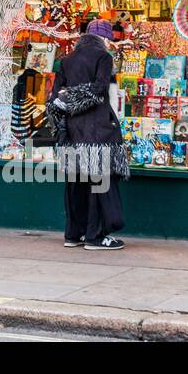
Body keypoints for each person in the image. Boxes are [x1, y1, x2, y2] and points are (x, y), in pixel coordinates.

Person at [51, 18, 129, 250]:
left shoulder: (66, 61)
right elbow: (99, 89)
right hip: (97, 132)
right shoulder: (104, 58)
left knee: (76, 184)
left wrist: (69, 100)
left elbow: (56, 99)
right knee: (98, 184)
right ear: (105, 39)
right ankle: (95, 237)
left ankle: (73, 234)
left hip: (72, 133)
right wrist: (79, 97)